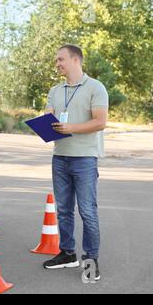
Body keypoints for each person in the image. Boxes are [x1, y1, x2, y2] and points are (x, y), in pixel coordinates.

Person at [42, 44, 109, 281]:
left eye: (61, 59)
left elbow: (100, 122)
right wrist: (43, 125)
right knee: (63, 210)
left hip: (84, 159)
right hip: (60, 158)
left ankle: (91, 260)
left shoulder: (95, 87)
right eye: (56, 60)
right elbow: (48, 115)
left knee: (88, 212)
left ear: (75, 60)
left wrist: (71, 128)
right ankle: (67, 253)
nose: (57, 64)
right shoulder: (55, 90)